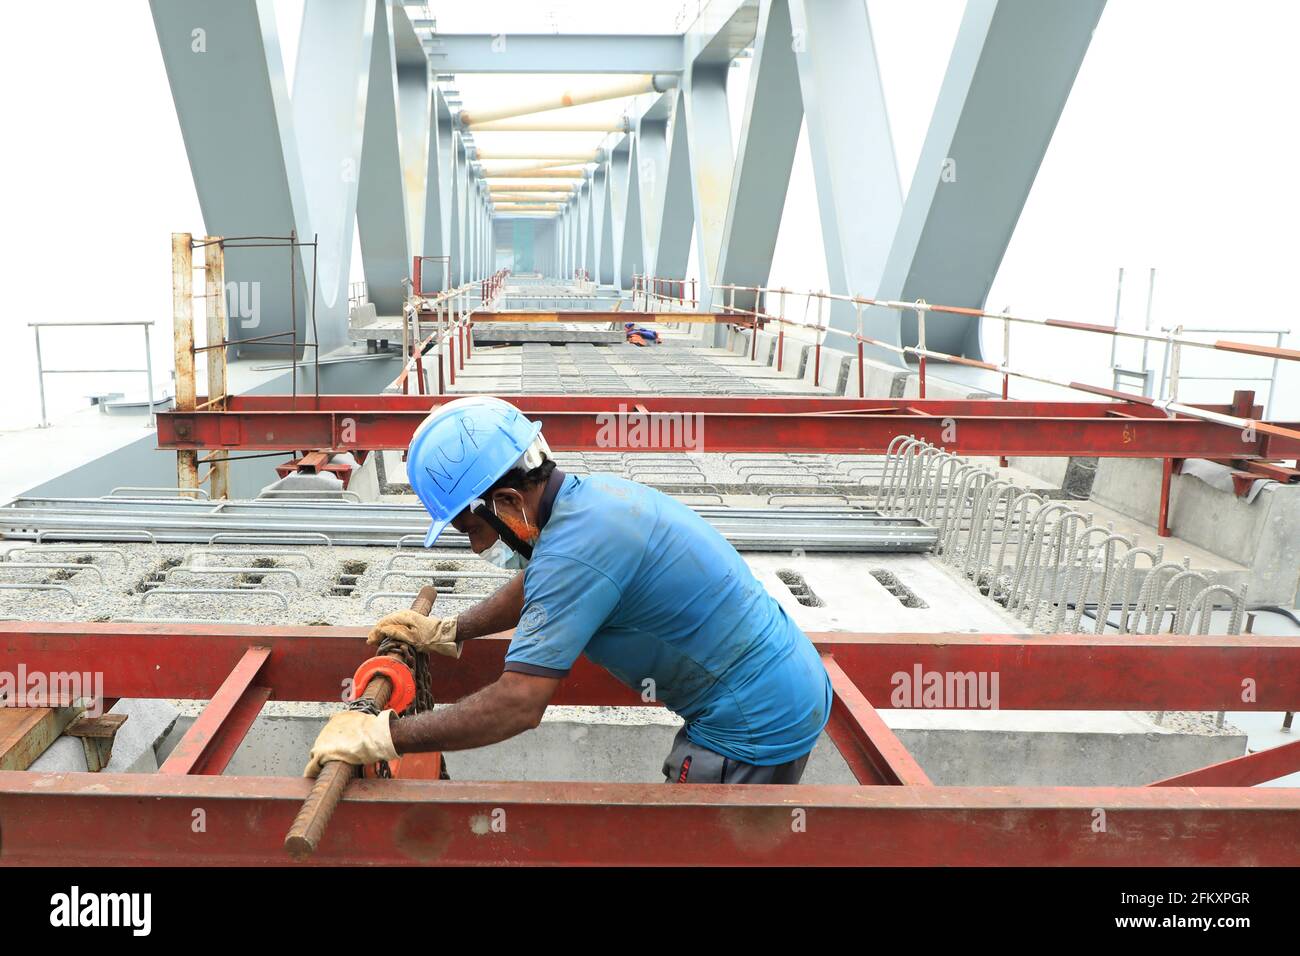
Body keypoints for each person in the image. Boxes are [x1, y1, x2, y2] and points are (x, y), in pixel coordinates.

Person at [304, 396, 831, 783]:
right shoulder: (586, 501)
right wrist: (452, 630)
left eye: (472, 529)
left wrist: (382, 736)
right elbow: (540, 580)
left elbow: (518, 705)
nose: (473, 547)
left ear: (507, 502)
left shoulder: (575, 552)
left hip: (752, 725)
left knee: (698, 849)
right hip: (787, 680)